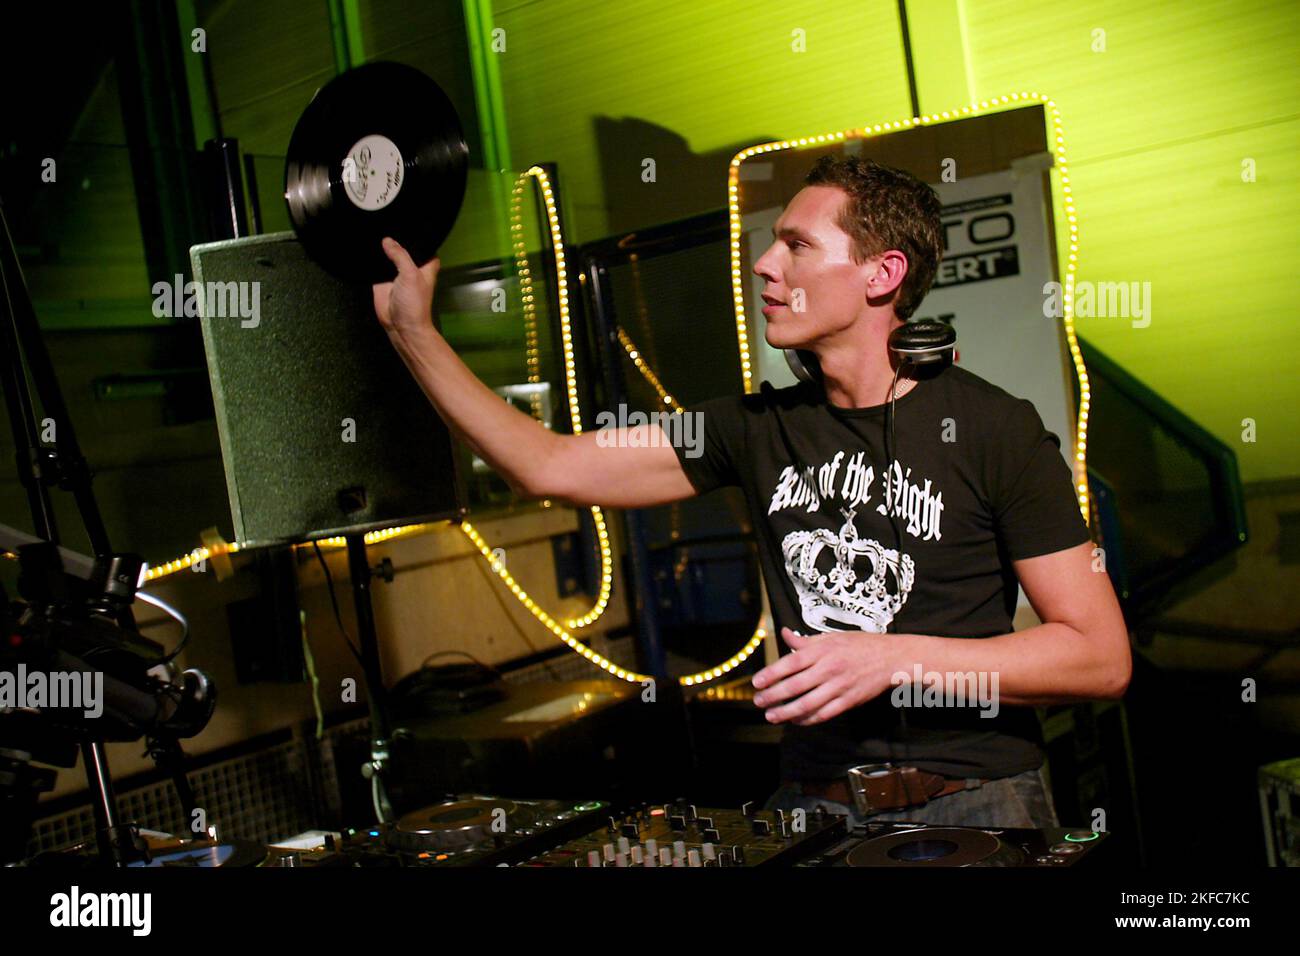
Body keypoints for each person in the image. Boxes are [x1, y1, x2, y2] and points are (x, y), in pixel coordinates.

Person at [371, 155, 1131, 830]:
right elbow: (544, 464)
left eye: (796, 245)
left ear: (882, 275)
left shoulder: (995, 427)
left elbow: (1098, 658)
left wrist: (894, 659)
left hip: (978, 806)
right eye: (773, 244)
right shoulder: (751, 430)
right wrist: (415, 334)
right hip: (813, 807)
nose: (765, 265)